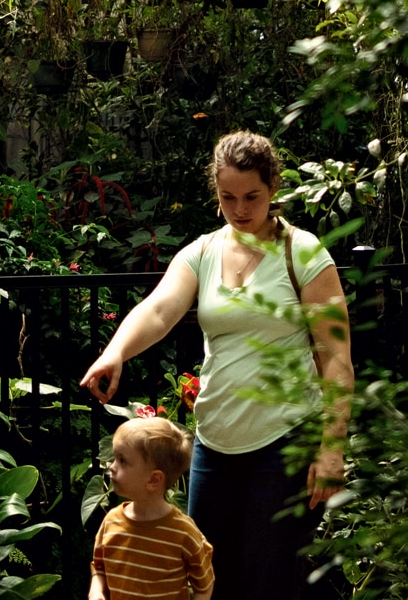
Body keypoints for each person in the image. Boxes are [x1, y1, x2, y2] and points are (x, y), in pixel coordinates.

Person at [79, 130, 352, 600]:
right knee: (208, 576)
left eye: (252, 197)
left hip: (285, 442)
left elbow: (337, 358)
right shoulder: (203, 251)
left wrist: (331, 447)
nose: (240, 209)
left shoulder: (302, 252)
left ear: (273, 190)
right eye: (228, 197)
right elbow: (159, 309)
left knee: (269, 581)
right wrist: (114, 352)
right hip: (215, 442)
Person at [90, 416, 215, 600]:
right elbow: (99, 568)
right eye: (114, 458)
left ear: (154, 480)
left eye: (122, 461)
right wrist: (97, 590)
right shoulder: (111, 521)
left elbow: (204, 586)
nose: (112, 467)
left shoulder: (183, 532)